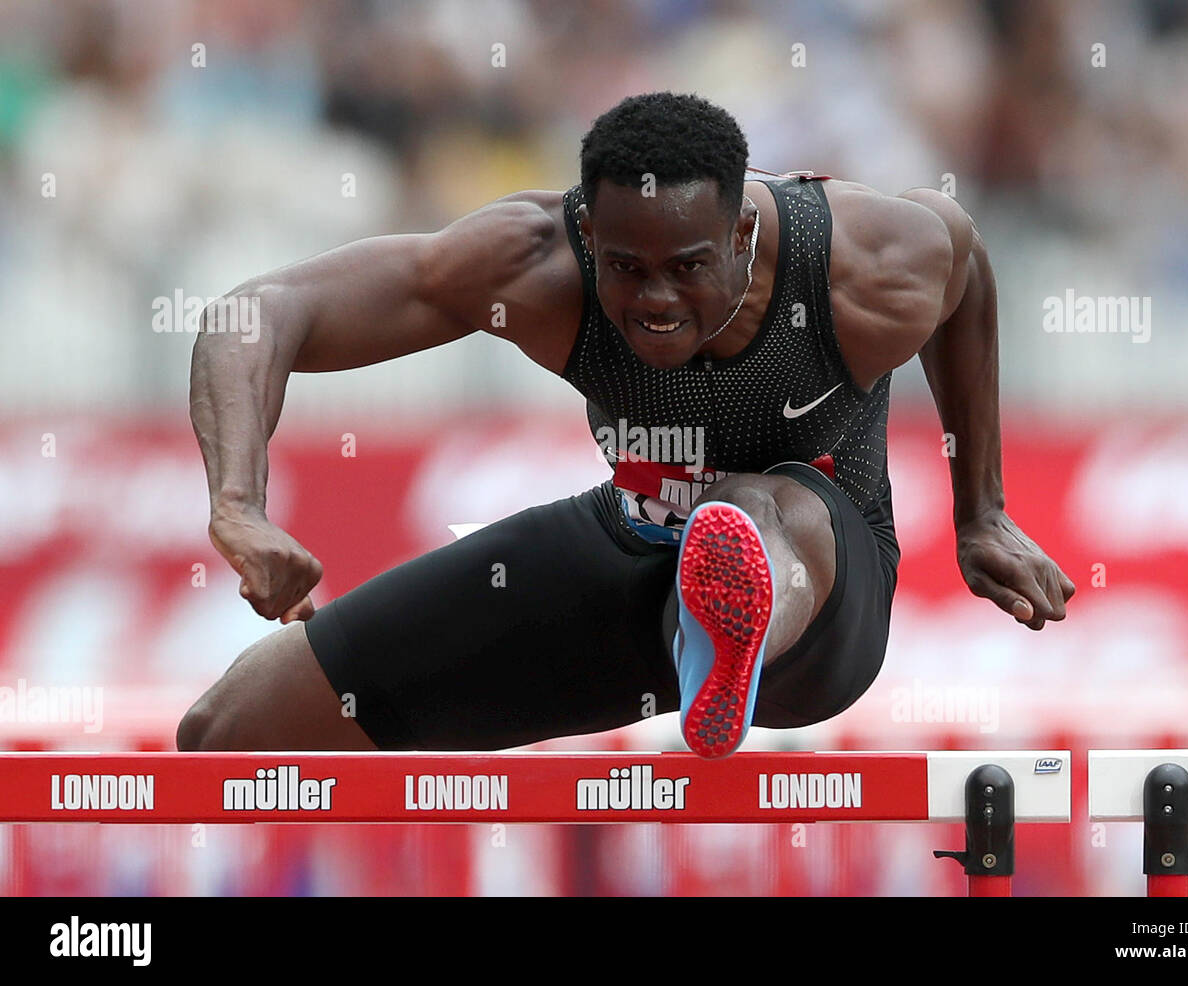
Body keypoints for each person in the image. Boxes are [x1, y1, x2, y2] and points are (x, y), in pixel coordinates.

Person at [177, 92, 1074, 758]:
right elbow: (258, 314)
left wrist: (980, 510)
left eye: (686, 268)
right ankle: (699, 628)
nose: (652, 302)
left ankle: (730, 625)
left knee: (753, 507)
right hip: (634, 545)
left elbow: (966, 273)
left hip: (824, 592)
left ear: (740, 239)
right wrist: (239, 502)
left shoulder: (863, 262)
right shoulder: (536, 262)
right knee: (228, 730)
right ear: (587, 234)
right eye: (624, 268)